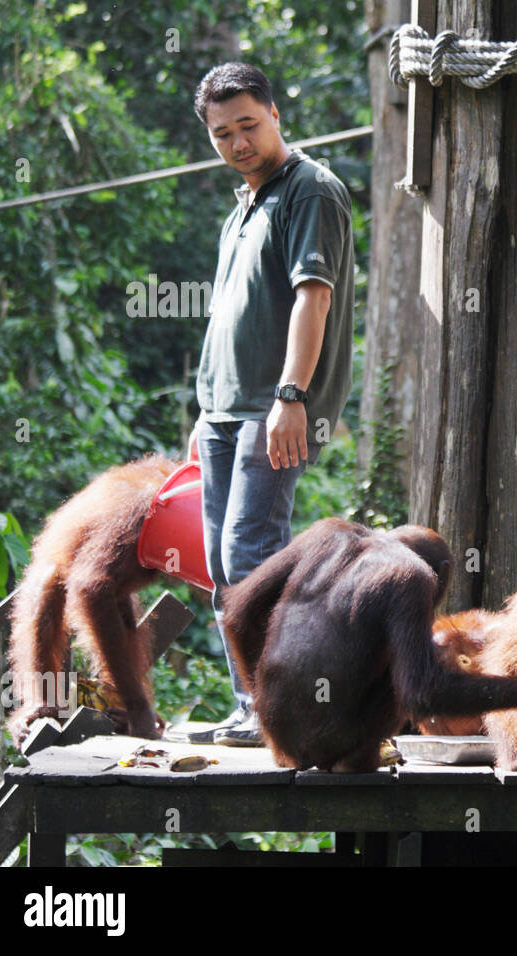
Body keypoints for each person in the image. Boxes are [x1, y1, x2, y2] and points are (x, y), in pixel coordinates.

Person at [187, 63, 353, 745]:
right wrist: (203, 409)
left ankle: (278, 707)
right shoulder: (245, 204)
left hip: (274, 408)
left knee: (251, 554)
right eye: (223, 133)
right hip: (226, 410)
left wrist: (292, 396)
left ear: (276, 115)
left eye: (248, 125)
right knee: (223, 565)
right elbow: (229, 317)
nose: (238, 142)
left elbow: (314, 297)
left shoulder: (309, 190)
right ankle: (249, 703)